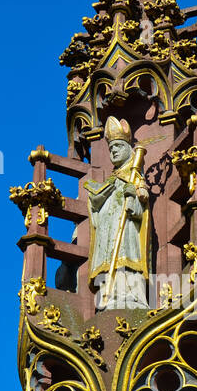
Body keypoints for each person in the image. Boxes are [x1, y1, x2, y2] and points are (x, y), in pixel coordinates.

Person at [85, 116, 149, 309]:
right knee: (107, 259)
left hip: (127, 228)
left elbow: (143, 199)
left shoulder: (134, 175)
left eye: (118, 147)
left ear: (129, 149)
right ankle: (108, 296)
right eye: (111, 148)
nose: (113, 151)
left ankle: (131, 296)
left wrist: (135, 195)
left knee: (125, 256)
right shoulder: (112, 179)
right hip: (106, 231)